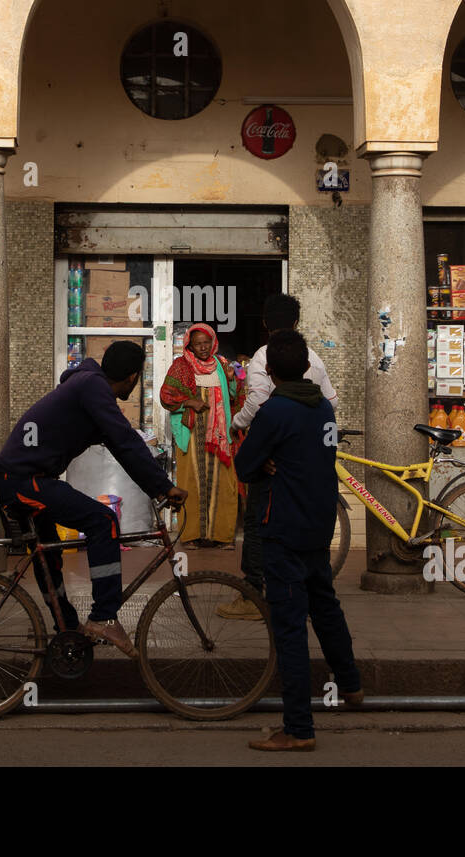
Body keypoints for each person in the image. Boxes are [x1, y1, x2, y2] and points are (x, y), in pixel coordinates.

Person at [0, 341, 187, 658]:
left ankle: (67, 631)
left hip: (20, 479)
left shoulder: (86, 387)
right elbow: (126, 440)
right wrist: (165, 488)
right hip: (23, 481)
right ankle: (103, 617)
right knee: (103, 520)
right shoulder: (92, 387)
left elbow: (123, 448)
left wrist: (159, 487)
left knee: (49, 558)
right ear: (133, 377)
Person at [234, 330, 362, 752]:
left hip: (284, 527)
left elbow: (245, 465)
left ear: (269, 371)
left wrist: (266, 461)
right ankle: (351, 684)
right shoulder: (323, 407)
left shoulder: (274, 411)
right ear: (308, 367)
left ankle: (298, 728)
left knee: (290, 627)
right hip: (319, 523)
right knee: (324, 605)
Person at [221, 293, 339, 619]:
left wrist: (237, 423)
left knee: (259, 522)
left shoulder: (264, 357)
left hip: (275, 454)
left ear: (264, 323)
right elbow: (331, 401)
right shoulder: (313, 358)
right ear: (297, 322)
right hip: (309, 460)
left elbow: (258, 401)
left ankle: (253, 595)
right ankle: (302, 594)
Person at [159, 323, 245, 548]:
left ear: (213, 343)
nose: (203, 347)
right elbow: (166, 396)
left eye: (207, 343)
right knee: (191, 481)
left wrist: (232, 380)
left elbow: (234, 397)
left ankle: (223, 536)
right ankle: (190, 536)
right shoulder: (181, 366)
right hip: (191, 433)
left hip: (219, 436)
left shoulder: (222, 365)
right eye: (198, 344)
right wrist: (189, 402)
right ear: (190, 345)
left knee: (223, 482)